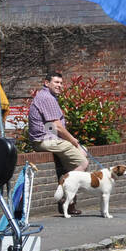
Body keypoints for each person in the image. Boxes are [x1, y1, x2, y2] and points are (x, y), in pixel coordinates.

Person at [27, 71, 89, 214]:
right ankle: (62, 191)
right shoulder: (47, 98)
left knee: (73, 164)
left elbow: (49, 126)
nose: (60, 85)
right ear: (46, 83)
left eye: (61, 83)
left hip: (47, 138)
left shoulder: (46, 97)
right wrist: (74, 142)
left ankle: (69, 205)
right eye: (56, 82)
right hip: (44, 140)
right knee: (82, 163)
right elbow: (57, 126)